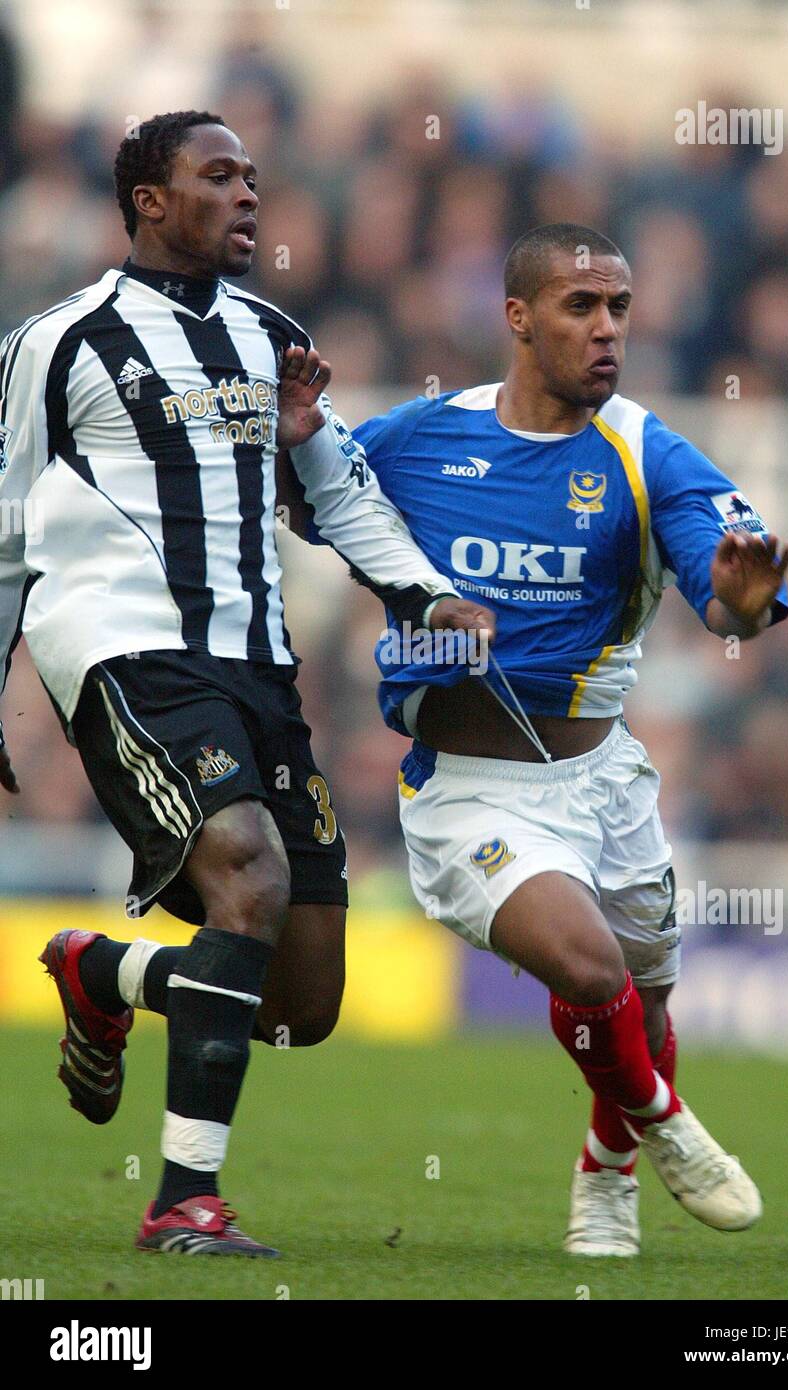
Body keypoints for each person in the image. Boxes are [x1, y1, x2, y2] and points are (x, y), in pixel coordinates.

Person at [0, 110, 483, 1257]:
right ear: (150, 202)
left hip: (257, 665)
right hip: (126, 650)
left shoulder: (274, 339)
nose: (248, 195)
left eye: (253, 177)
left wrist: (426, 594)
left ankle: (102, 969)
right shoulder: (60, 341)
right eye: (218, 176)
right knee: (248, 878)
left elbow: (341, 488)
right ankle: (181, 1204)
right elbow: (7, 528)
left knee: (300, 1001)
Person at [329, 223, 788, 1256]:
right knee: (590, 970)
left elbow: (727, 602)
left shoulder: (644, 452)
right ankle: (668, 1127)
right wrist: (287, 436)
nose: (604, 329)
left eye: (618, 308)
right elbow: (312, 501)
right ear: (516, 317)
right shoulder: (414, 437)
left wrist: (744, 605)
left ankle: (605, 1171)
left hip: (602, 780)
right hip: (468, 790)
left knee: (646, 1001)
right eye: (579, 307)